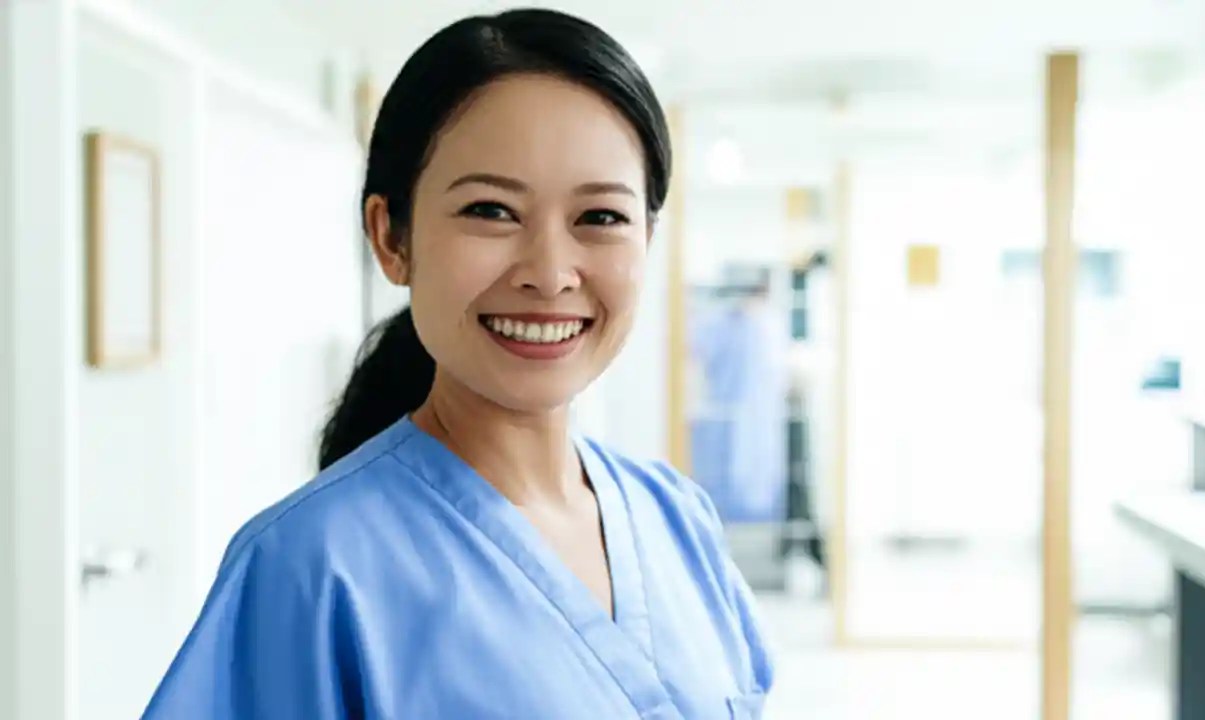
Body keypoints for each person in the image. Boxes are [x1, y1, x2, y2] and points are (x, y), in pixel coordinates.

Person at [141, 8, 773, 720]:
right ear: (391, 238)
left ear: (648, 238)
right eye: (492, 210)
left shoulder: (679, 519)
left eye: (600, 218)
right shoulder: (308, 568)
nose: (551, 272)